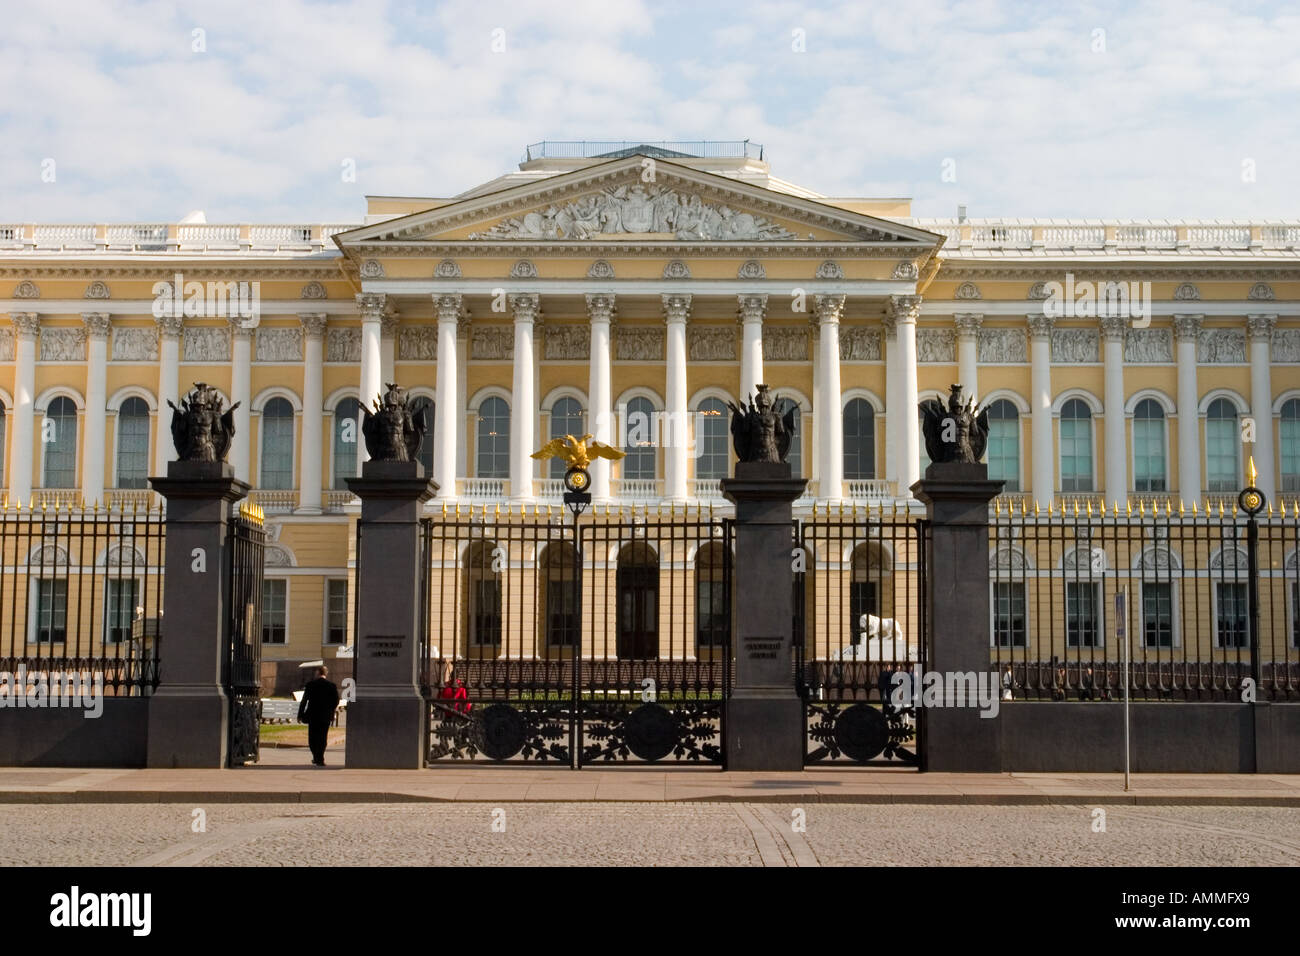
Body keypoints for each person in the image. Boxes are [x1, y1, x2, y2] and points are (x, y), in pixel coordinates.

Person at [298, 665, 340, 767]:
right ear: (326, 673)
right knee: (322, 737)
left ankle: (317, 758)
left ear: (317, 673)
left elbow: (304, 701)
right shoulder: (332, 686)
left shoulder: (310, 685)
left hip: (312, 715)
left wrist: (300, 714)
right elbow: (336, 701)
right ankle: (319, 758)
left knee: (312, 738)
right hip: (325, 716)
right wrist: (330, 710)